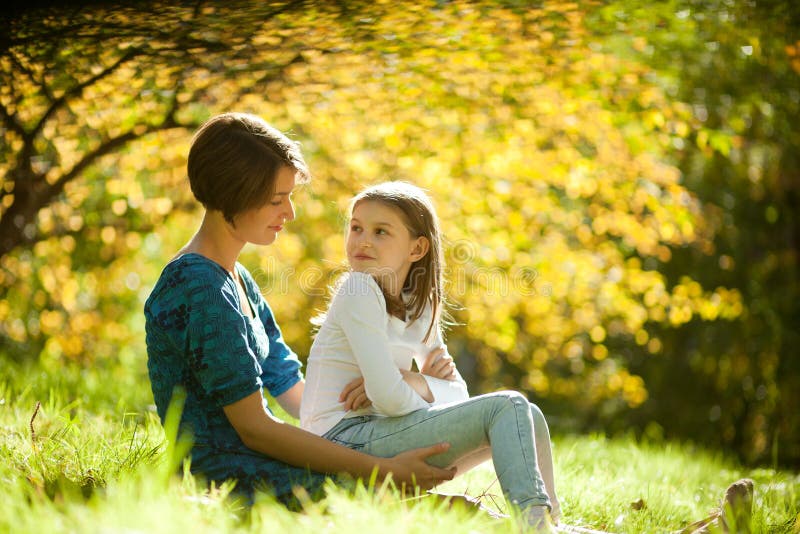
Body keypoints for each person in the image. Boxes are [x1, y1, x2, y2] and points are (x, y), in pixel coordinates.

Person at [144, 113, 456, 506]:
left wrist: (388, 391)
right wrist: (382, 469)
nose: (289, 213)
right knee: (439, 507)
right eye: (277, 199)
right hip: (230, 475)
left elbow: (292, 388)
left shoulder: (236, 278)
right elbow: (255, 429)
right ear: (233, 194)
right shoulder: (197, 286)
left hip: (266, 459)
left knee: (443, 497)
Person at [300, 181, 562, 530]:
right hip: (340, 442)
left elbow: (458, 395)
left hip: (381, 433)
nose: (362, 241)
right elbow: (389, 398)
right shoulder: (358, 290)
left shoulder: (420, 306)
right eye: (356, 227)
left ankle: (552, 521)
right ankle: (534, 525)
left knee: (527, 414)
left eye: (380, 232)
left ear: (417, 248)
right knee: (508, 406)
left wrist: (413, 381)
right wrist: (402, 389)